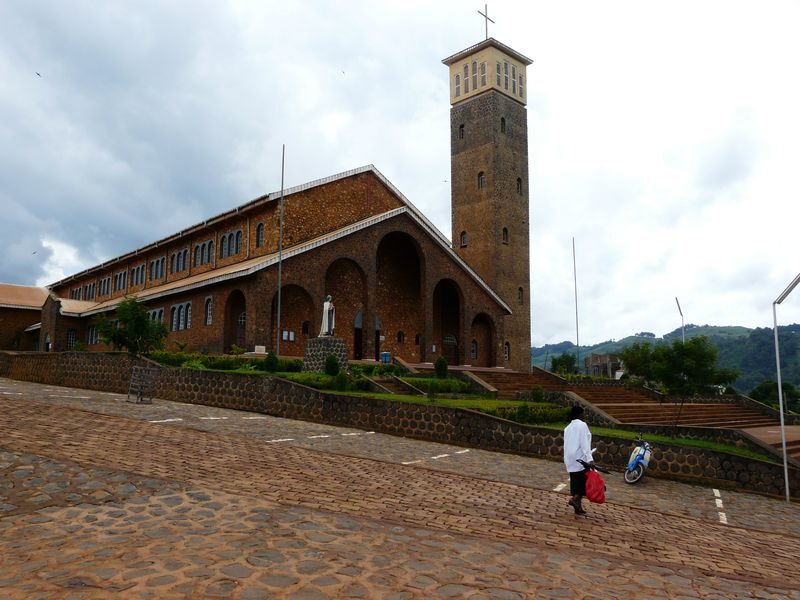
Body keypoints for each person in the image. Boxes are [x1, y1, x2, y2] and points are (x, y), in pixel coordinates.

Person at [563, 404, 593, 515]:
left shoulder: (567, 428)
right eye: (583, 414)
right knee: (583, 483)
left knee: (575, 482)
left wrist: (567, 459)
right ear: (579, 414)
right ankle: (575, 499)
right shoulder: (582, 425)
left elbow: (566, 444)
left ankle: (578, 507)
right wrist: (590, 459)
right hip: (581, 459)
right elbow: (584, 443)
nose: (584, 416)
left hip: (570, 458)